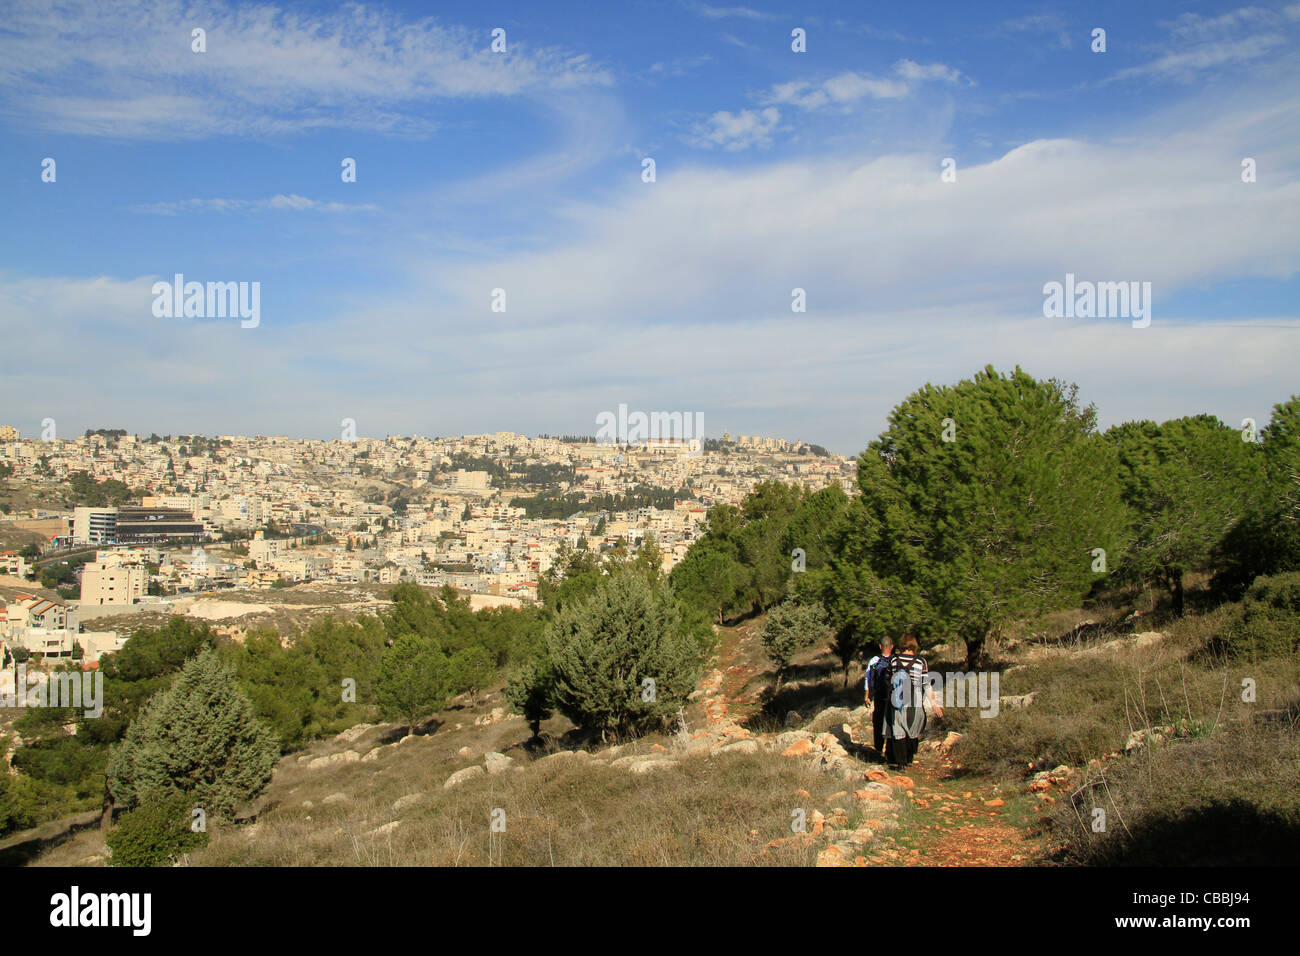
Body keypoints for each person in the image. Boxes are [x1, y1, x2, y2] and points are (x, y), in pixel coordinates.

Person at [886, 634, 942, 770]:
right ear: (914, 645)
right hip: (915, 701)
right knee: (913, 731)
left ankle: (900, 764)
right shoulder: (920, 661)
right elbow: (926, 684)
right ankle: (909, 758)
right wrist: (934, 704)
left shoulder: (893, 660)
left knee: (898, 731)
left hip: (897, 701)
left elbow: (888, 679)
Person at [864, 637, 895, 756]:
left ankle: (878, 748)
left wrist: (867, 696)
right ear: (892, 646)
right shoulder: (895, 660)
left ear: (880, 646)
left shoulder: (874, 660)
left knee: (878, 720)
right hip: (892, 696)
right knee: (891, 720)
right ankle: (890, 750)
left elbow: (868, 679)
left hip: (879, 695)